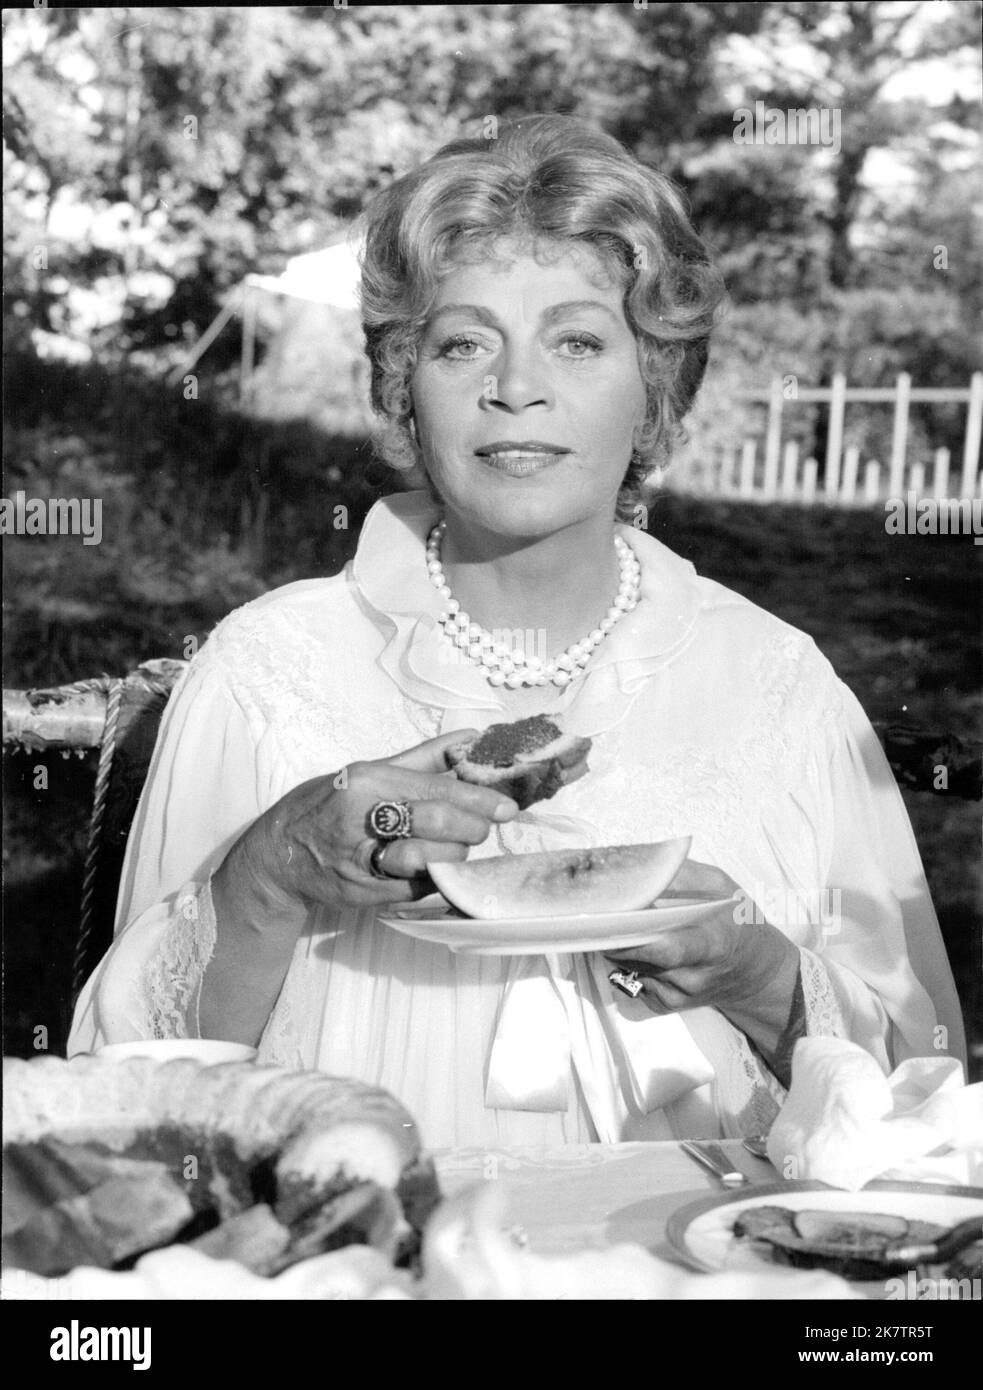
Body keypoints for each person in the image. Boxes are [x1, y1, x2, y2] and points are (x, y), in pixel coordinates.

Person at [68, 115, 966, 1148]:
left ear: (654, 391)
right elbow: (126, 1112)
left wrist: (752, 971)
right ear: (405, 390)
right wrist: (268, 874)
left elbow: (917, 1100)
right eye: (463, 344)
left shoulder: (776, 685)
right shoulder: (264, 673)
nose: (515, 388)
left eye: (577, 341)